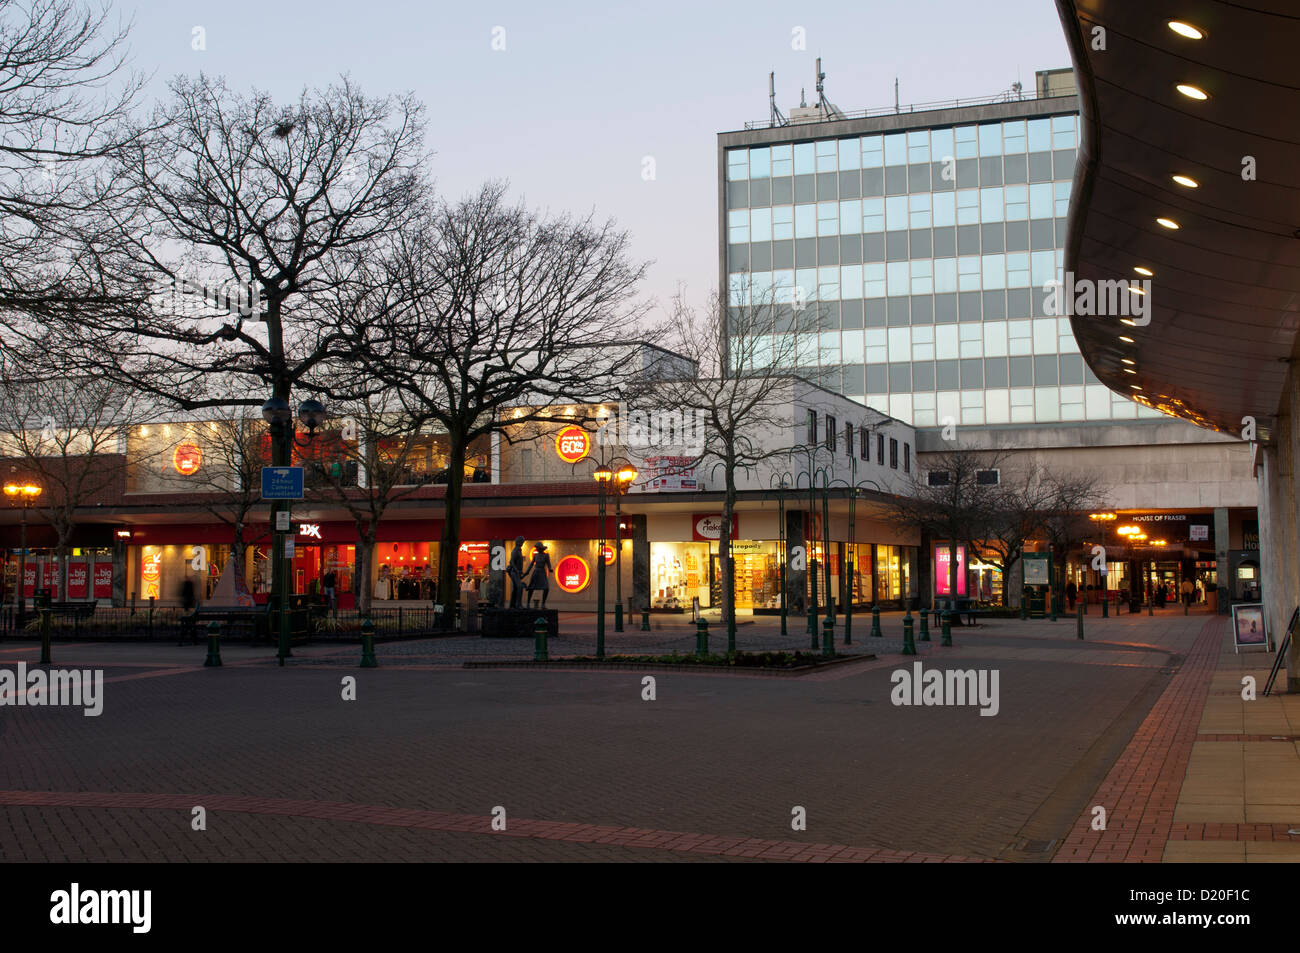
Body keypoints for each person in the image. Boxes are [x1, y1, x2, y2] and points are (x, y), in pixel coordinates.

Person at [526, 543, 552, 608]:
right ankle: (528, 603)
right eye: (536, 547)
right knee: (531, 588)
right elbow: (531, 564)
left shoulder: (546, 555)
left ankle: (543, 604)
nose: (536, 549)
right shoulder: (535, 555)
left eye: (537, 547)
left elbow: (548, 563)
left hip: (542, 573)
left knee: (546, 588)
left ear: (540, 548)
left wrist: (550, 569)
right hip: (536, 572)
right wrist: (527, 571)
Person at [507, 535, 526, 608]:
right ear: (518, 542)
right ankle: (518, 604)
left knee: (515, 588)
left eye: (523, 542)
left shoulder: (519, 550)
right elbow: (511, 561)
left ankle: (512, 605)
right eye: (521, 542)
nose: (522, 543)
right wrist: (517, 570)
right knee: (519, 587)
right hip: (514, 572)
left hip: (517, 572)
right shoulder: (515, 551)